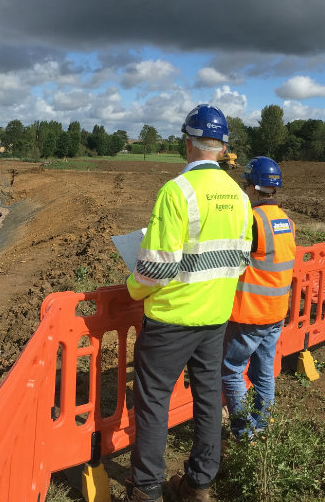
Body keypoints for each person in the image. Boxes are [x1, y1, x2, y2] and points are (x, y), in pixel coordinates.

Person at [124, 104, 253, 502]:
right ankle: (198, 482)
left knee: (153, 402)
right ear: (223, 147)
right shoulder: (240, 196)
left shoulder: (177, 191)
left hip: (171, 318)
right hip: (215, 317)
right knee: (209, 398)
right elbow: (239, 259)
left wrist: (131, 287)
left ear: (187, 143)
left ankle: (146, 487)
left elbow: (155, 269)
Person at [221, 157, 296, 440]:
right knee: (264, 370)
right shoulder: (287, 222)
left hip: (251, 314)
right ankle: (261, 425)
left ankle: (243, 432)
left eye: (245, 185)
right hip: (277, 312)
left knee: (231, 370)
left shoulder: (252, 221)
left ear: (252, 188)